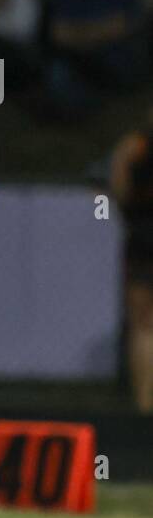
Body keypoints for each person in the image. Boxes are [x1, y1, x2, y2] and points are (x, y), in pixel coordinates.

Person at [109, 105, 153, 414]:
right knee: (143, 324)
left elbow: (119, 191)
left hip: (142, 239)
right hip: (143, 241)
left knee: (144, 325)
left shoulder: (133, 147)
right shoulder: (134, 147)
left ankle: (144, 403)